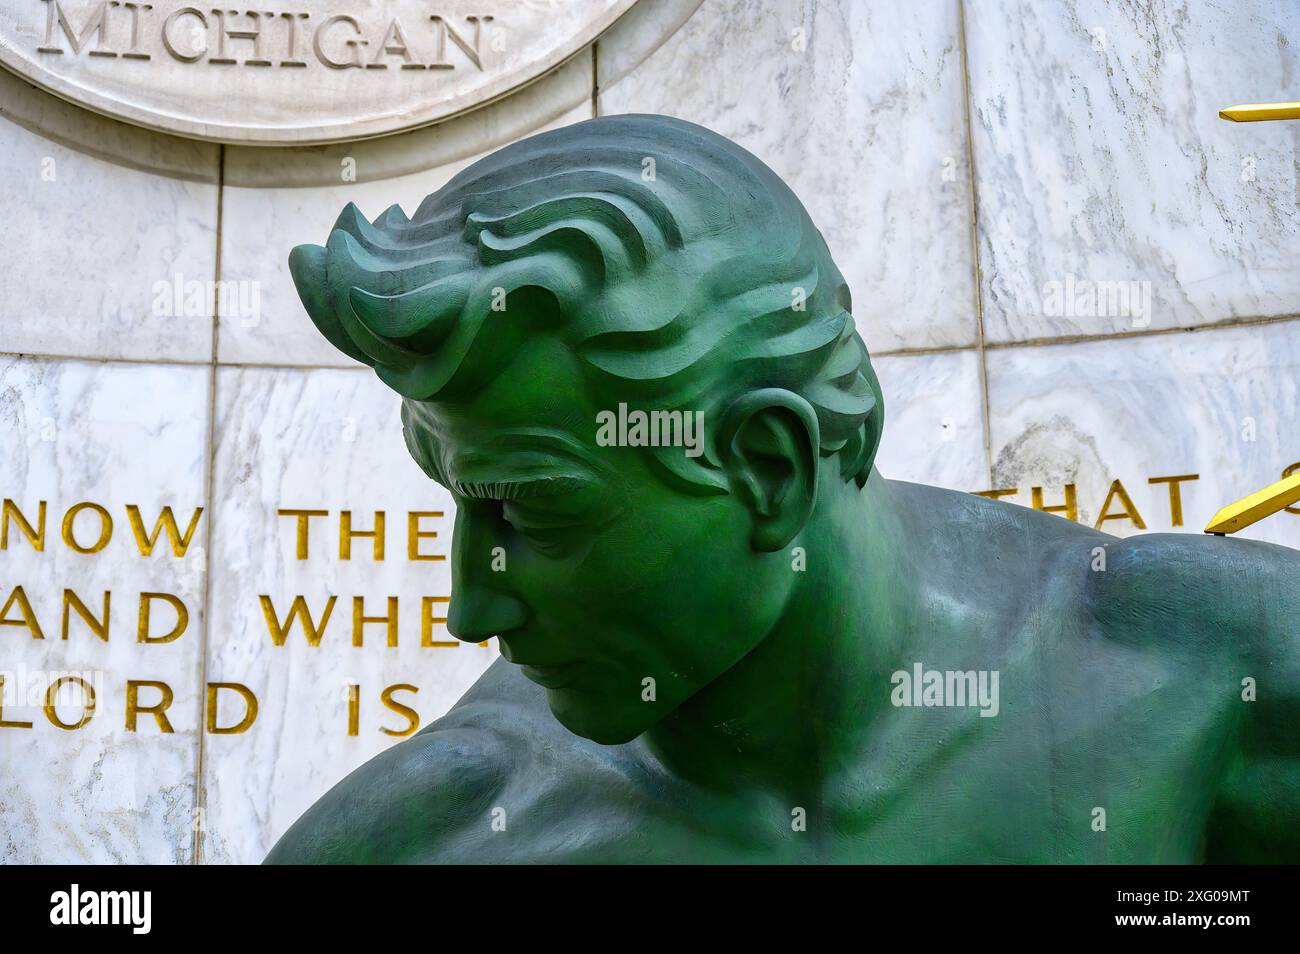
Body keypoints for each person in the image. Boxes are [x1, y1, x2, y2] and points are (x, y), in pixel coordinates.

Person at [267, 114, 1299, 863]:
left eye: (532, 510)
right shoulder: (433, 841)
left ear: (770, 468)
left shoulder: (1210, 670)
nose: (468, 606)